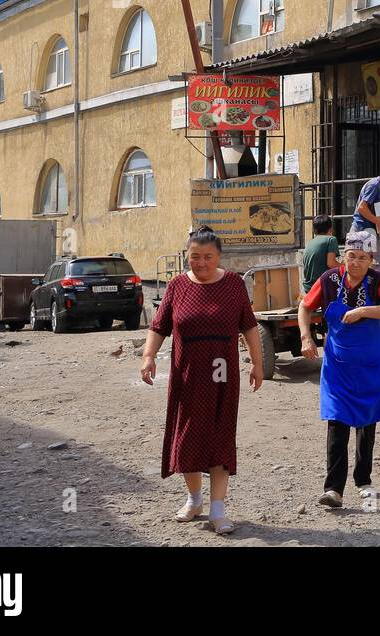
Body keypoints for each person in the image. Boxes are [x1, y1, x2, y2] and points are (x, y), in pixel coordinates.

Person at [140, 227, 264, 536]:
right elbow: (159, 326)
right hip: (187, 378)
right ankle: (194, 499)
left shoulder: (234, 285)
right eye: (195, 257)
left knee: (220, 438)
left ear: (219, 257)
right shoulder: (177, 286)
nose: (201, 263)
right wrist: (148, 357)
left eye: (208, 257)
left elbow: (249, 327)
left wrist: (257, 363)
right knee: (188, 439)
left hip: (222, 378)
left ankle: (218, 510)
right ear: (187, 257)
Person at [299, 230, 380, 509]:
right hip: (338, 366)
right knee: (337, 420)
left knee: (366, 421)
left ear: (371, 259)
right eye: (351, 256)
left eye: (362, 257)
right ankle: (333, 489)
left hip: (371, 365)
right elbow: (305, 306)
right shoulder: (329, 280)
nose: (356, 262)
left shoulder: (377, 281)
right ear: (343, 258)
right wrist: (305, 337)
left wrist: (363, 311)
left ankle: (363, 479)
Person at [298, 215, 339, 350]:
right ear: (330, 229)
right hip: (323, 289)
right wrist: (344, 266)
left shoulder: (309, 243)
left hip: (309, 288)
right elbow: (331, 263)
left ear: (314, 229)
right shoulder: (331, 239)